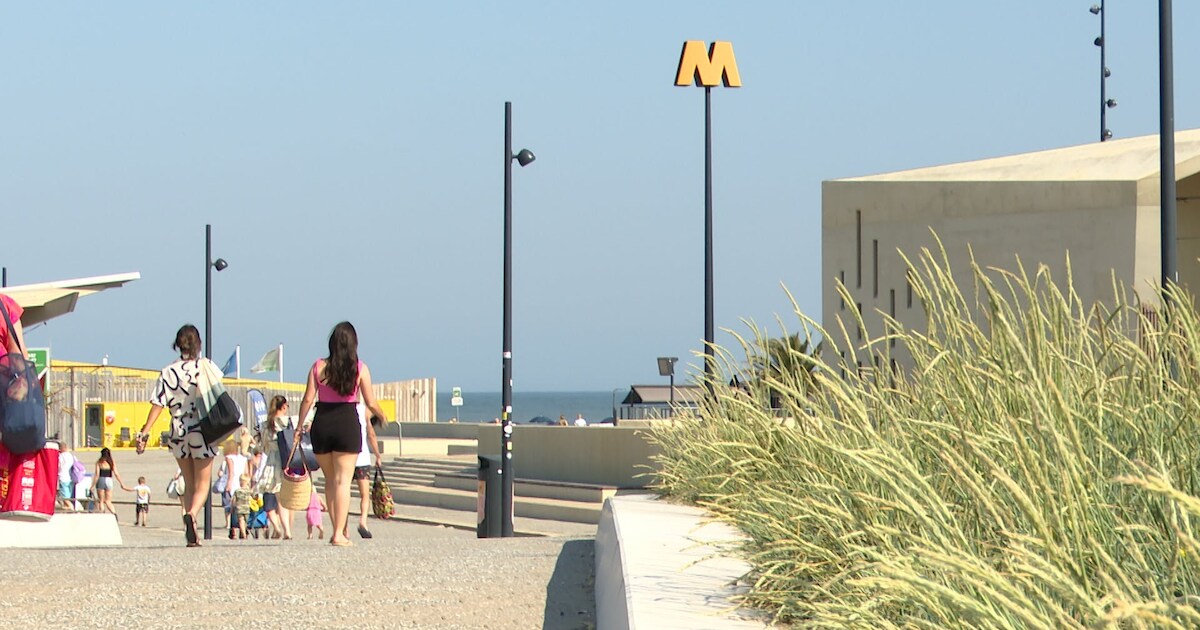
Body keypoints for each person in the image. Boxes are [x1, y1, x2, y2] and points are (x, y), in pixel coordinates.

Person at [293, 321, 389, 547]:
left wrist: (299, 427)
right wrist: (382, 416)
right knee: (343, 481)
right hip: (347, 422)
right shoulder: (360, 368)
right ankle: (339, 533)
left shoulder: (318, 366)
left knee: (330, 481)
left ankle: (336, 529)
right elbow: (371, 401)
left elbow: (308, 399)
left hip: (323, 422)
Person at [135, 324, 222, 547]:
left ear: (177, 344)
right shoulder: (206, 367)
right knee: (203, 484)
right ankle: (192, 515)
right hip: (203, 430)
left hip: (178, 430)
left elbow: (157, 403)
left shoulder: (167, 372)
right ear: (198, 344)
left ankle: (190, 527)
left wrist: (145, 433)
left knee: (189, 481)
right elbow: (218, 394)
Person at [255, 395, 289, 539]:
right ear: (284, 407)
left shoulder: (265, 424)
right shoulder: (287, 422)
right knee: (283, 499)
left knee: (270, 497)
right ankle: (288, 530)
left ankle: (276, 527)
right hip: (285, 460)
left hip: (271, 461)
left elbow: (263, 446)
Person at [347, 406, 383, 539]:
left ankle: (344, 528)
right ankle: (363, 521)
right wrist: (378, 455)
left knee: (345, 493)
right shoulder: (363, 410)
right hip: (362, 458)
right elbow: (371, 434)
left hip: (346, 458)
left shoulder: (342, 409)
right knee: (364, 495)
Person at [90, 447, 130, 515]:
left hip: (101, 480)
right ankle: (114, 514)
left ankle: (102, 515)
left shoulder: (99, 462)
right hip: (109, 480)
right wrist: (121, 483)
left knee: (101, 501)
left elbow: (97, 474)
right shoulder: (111, 462)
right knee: (108, 501)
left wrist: (92, 485)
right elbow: (116, 473)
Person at [56, 442, 78, 512]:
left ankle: (72, 509)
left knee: (65, 498)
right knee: (68, 496)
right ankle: (66, 508)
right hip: (71, 478)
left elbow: (58, 466)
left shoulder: (60, 456)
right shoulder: (71, 456)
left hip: (63, 477)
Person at [231, 473, 252, 540]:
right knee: (245, 521)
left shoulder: (237, 491)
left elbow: (233, 501)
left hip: (239, 508)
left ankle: (243, 534)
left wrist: (232, 508)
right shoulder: (249, 491)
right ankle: (243, 533)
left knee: (241, 520)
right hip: (247, 508)